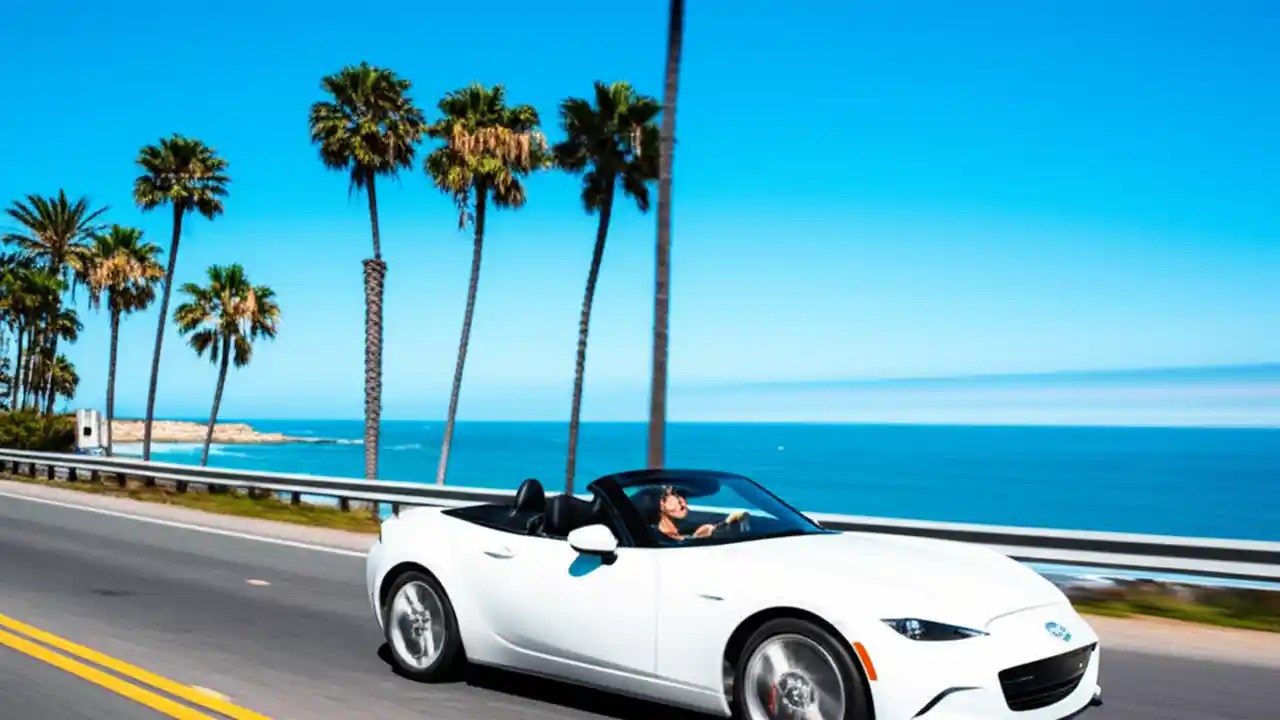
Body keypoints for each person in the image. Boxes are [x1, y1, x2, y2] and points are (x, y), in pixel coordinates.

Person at [654, 485, 746, 542]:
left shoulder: (687, 528)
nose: (684, 503)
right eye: (677, 496)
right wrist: (696, 538)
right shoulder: (651, 536)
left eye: (683, 497)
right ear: (661, 503)